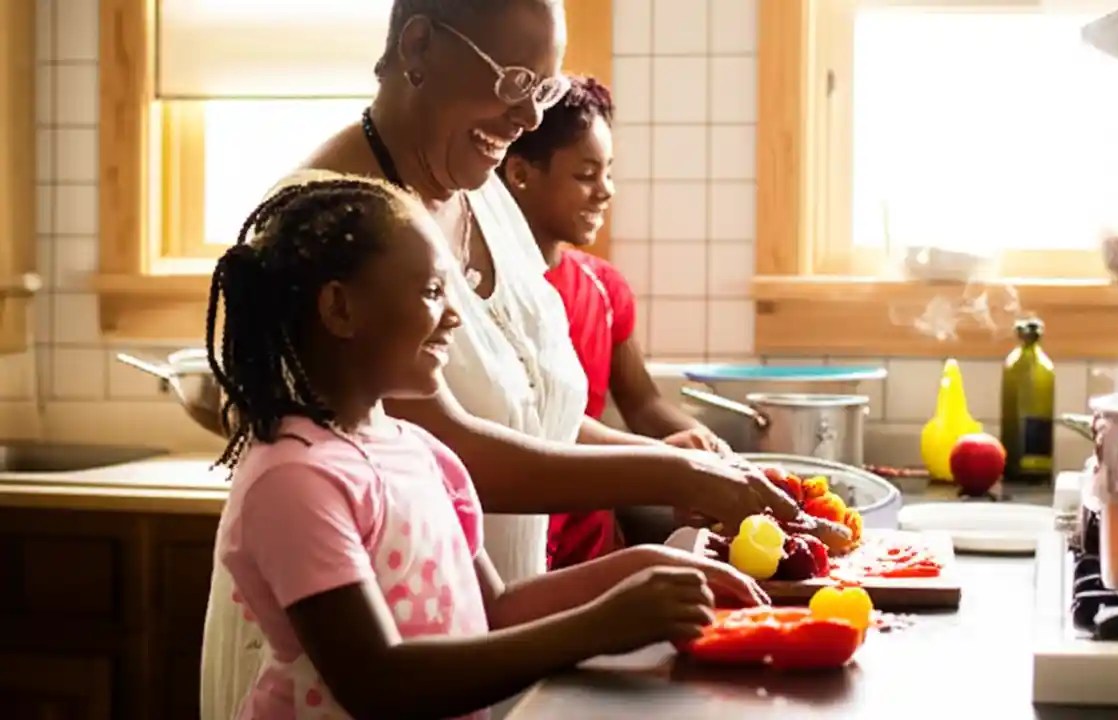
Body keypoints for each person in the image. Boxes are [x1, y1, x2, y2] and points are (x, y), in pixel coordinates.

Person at [200, 1, 815, 716]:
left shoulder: (480, 188)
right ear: (420, 45)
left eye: (544, 90)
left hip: (485, 641)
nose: (528, 119)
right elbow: (463, 445)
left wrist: (681, 498)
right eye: (515, 79)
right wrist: (674, 473)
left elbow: (532, 408)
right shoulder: (336, 220)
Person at [206, 175, 766, 719]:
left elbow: (495, 611)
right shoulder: (296, 477)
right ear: (340, 309)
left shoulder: (421, 451)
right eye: (431, 291)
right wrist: (603, 624)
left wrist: (646, 568)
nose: (453, 315)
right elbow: (378, 681)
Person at [498, 76, 733, 569]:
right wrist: (675, 468)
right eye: (586, 174)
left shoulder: (604, 288)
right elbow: (545, 423)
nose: (606, 192)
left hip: (597, 557)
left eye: (608, 172)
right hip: (518, 556)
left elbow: (644, 403)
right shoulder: (488, 294)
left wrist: (712, 454)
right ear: (520, 174)